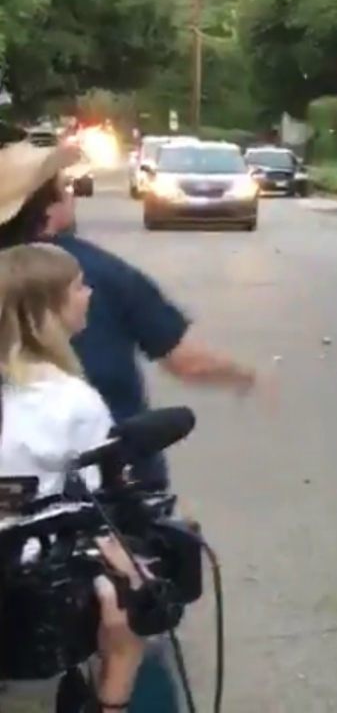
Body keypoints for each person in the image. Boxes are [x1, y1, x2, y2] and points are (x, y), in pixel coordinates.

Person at [0, 141, 264, 712]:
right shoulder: (85, 274)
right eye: (63, 189)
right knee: (131, 633)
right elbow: (185, 357)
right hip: (90, 530)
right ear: (49, 210)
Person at [0, 243, 147, 710]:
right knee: (132, 612)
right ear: (50, 307)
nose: (89, 294)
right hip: (32, 592)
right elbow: (103, 503)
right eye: (78, 286)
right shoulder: (68, 400)